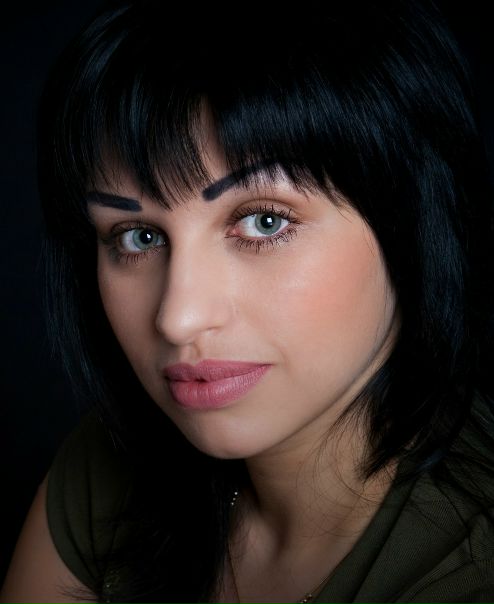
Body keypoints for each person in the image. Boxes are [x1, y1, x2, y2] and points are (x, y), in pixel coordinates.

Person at [2, 0, 494, 601]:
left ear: (413, 222)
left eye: (264, 221)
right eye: (139, 237)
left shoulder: (467, 572)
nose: (178, 318)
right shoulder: (108, 470)